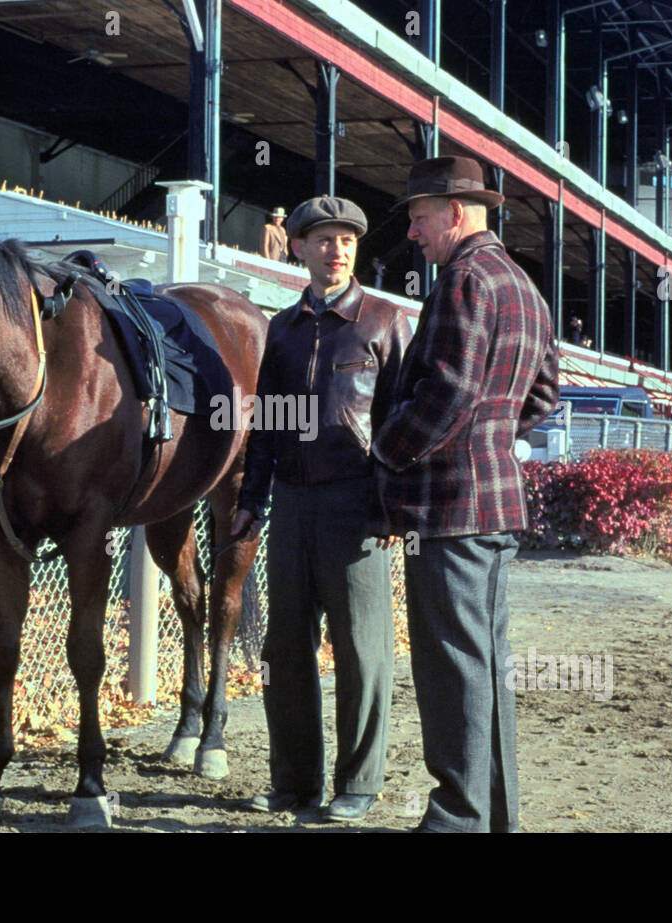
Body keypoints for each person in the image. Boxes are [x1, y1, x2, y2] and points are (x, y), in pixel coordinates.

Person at [371, 156, 559, 832]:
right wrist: (488, 432)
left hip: (450, 509)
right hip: (493, 505)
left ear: (454, 213)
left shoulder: (464, 279)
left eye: (420, 218)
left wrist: (386, 448)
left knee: (453, 672)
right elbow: (541, 396)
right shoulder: (524, 288)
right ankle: (492, 816)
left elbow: (446, 390)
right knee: (483, 668)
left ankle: (456, 819)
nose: (413, 233)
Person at [233, 196, 411, 823]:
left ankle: (357, 783)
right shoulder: (279, 330)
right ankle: (293, 782)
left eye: (347, 241)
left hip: (356, 506)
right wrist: (252, 501)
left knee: (363, 649)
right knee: (285, 647)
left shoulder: (385, 321)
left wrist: (392, 507)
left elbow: (400, 423)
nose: (336, 251)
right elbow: (266, 425)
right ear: (299, 247)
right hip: (291, 503)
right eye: (323, 240)